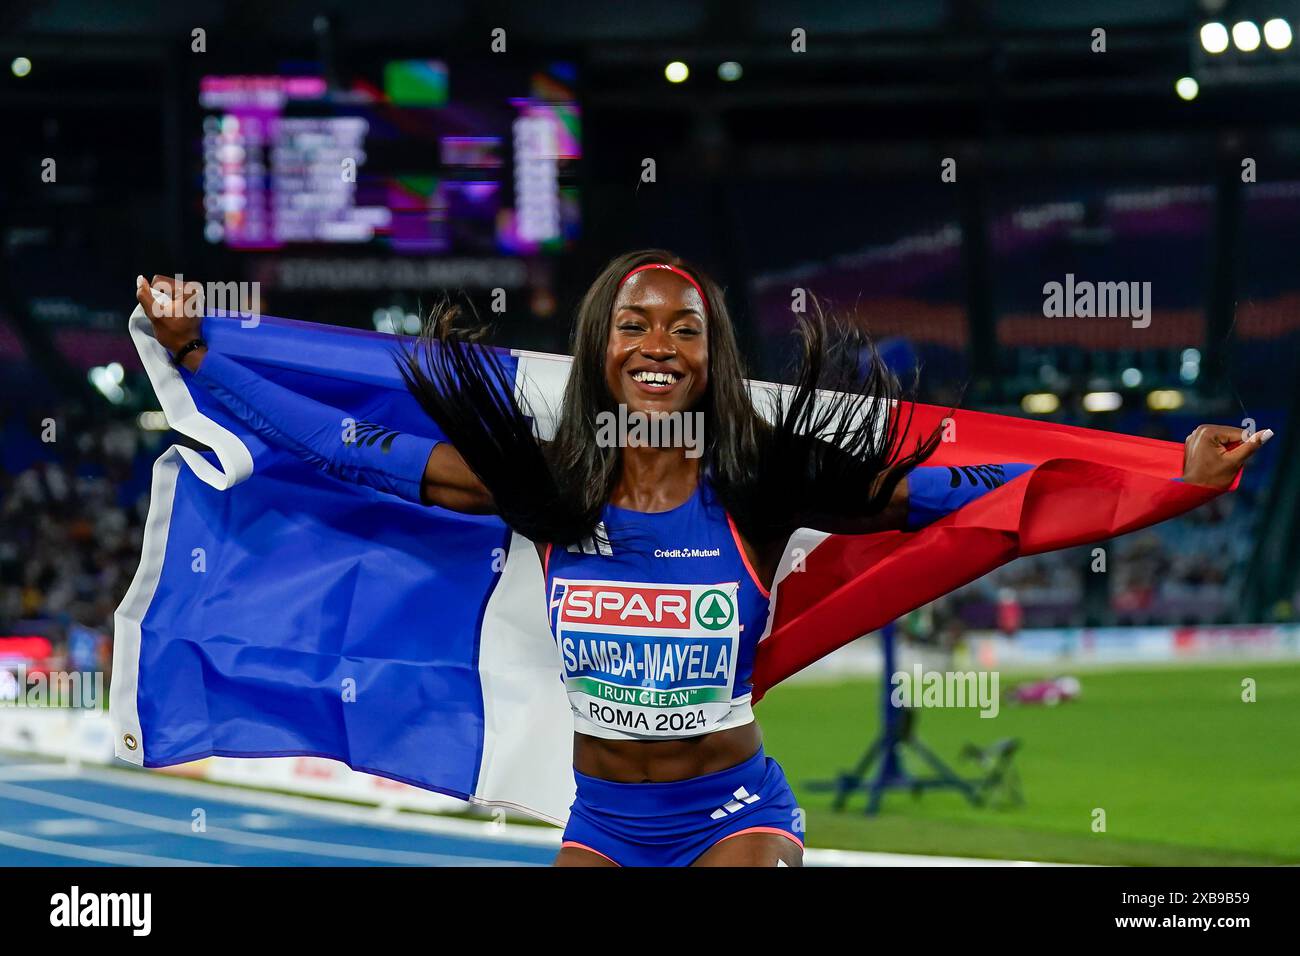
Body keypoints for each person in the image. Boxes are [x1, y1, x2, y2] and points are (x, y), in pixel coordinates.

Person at [135, 250, 1267, 866]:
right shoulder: (549, 489)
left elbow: (989, 494)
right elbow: (351, 448)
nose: (659, 344)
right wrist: (207, 361)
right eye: (635, 325)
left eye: (684, 327)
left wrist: (1171, 476)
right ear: (601, 350)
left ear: (711, 355)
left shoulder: (760, 490)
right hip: (601, 821)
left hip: (732, 812)